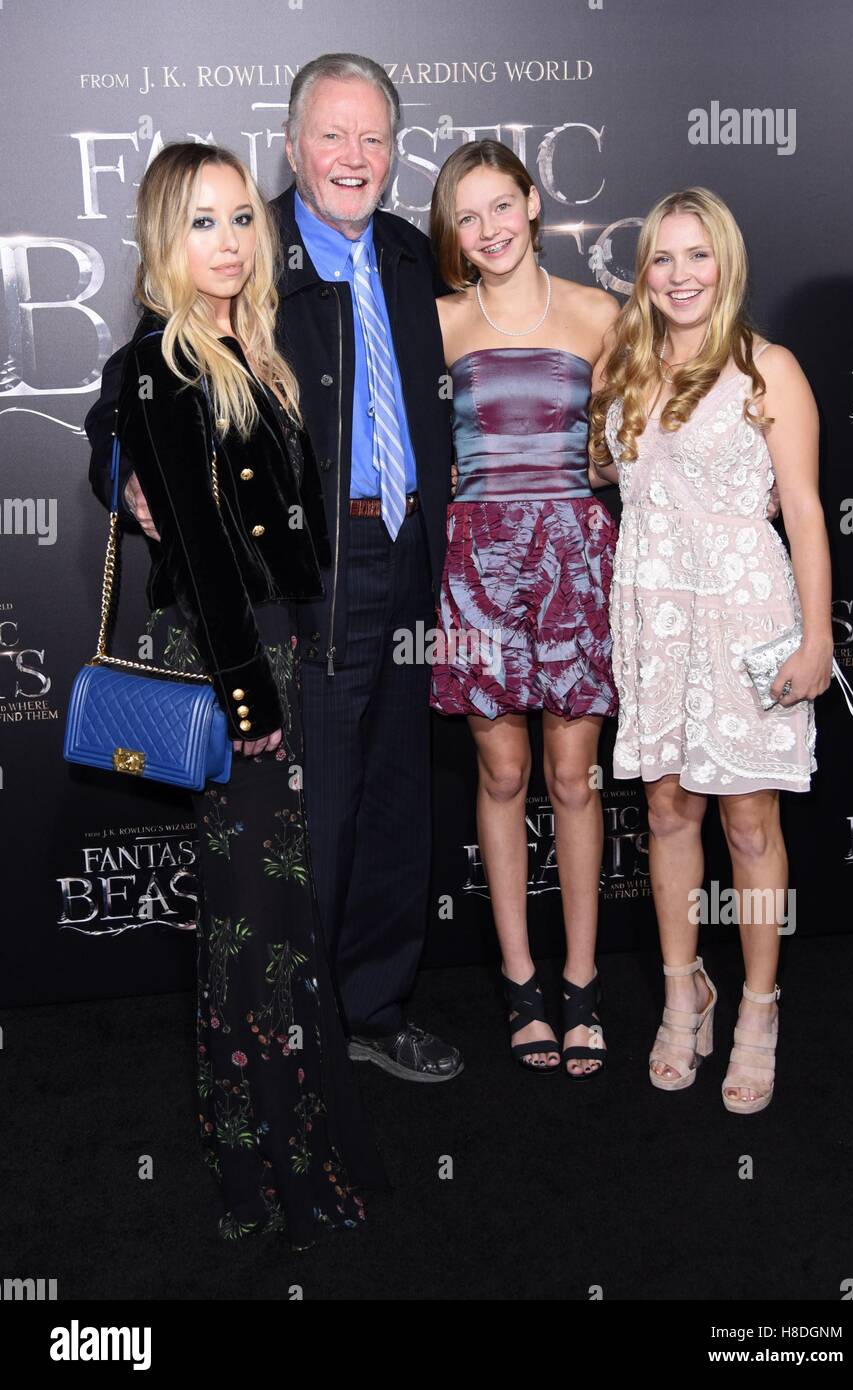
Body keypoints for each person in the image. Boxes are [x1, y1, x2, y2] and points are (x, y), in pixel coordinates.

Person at [87, 55, 460, 1082]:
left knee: (394, 803)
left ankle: (376, 1008)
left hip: (412, 560)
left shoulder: (409, 252)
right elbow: (133, 390)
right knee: (313, 811)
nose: (353, 157)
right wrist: (125, 475)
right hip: (304, 582)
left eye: (373, 138)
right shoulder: (251, 252)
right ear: (292, 148)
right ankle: (305, 1040)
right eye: (331, 137)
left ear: (394, 152)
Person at [110, 140, 388, 1248]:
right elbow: (204, 554)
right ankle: (254, 1163)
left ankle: (294, 1146)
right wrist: (248, 701)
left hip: (277, 656)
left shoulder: (255, 345)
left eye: (238, 220)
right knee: (250, 926)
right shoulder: (158, 364)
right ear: (163, 241)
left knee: (276, 919)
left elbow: (285, 529)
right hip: (229, 665)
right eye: (201, 224)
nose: (226, 242)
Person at [588, 186, 834, 1113]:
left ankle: (758, 1006)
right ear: (643, 271)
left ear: (726, 265)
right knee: (664, 813)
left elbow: (804, 510)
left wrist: (815, 640)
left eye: (698, 257)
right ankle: (680, 989)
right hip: (654, 615)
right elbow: (612, 472)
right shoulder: (625, 361)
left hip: (742, 617)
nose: (681, 276)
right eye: (662, 258)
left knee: (748, 824)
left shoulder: (770, 368)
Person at [428, 140, 621, 1080]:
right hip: (475, 566)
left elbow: (637, 446)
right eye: (467, 217)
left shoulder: (599, 315)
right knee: (502, 775)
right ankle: (518, 981)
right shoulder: (436, 322)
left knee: (573, 778)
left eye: (499, 206)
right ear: (452, 235)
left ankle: (581, 983)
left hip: (573, 562)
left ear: (533, 202)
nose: (488, 230)